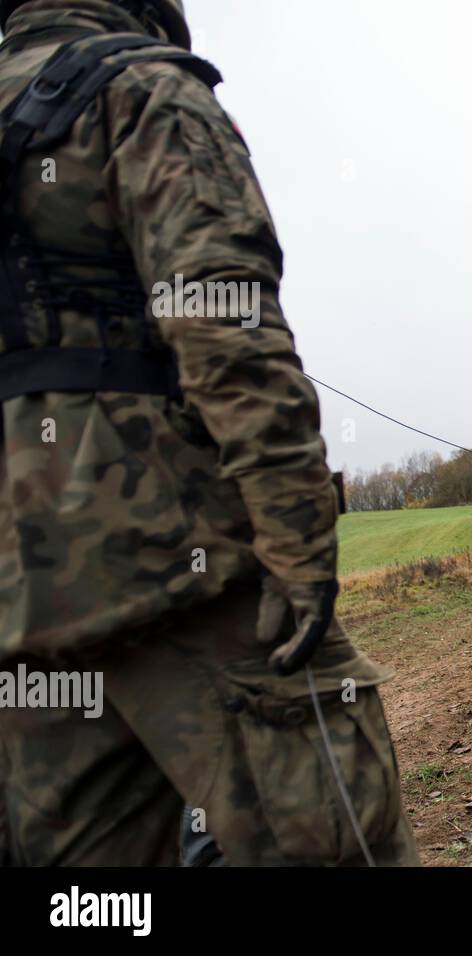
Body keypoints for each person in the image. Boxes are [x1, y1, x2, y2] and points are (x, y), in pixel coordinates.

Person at [0, 0, 417, 865]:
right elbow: (228, 331)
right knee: (333, 831)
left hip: (19, 610)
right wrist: (299, 545)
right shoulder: (138, 90)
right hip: (172, 561)